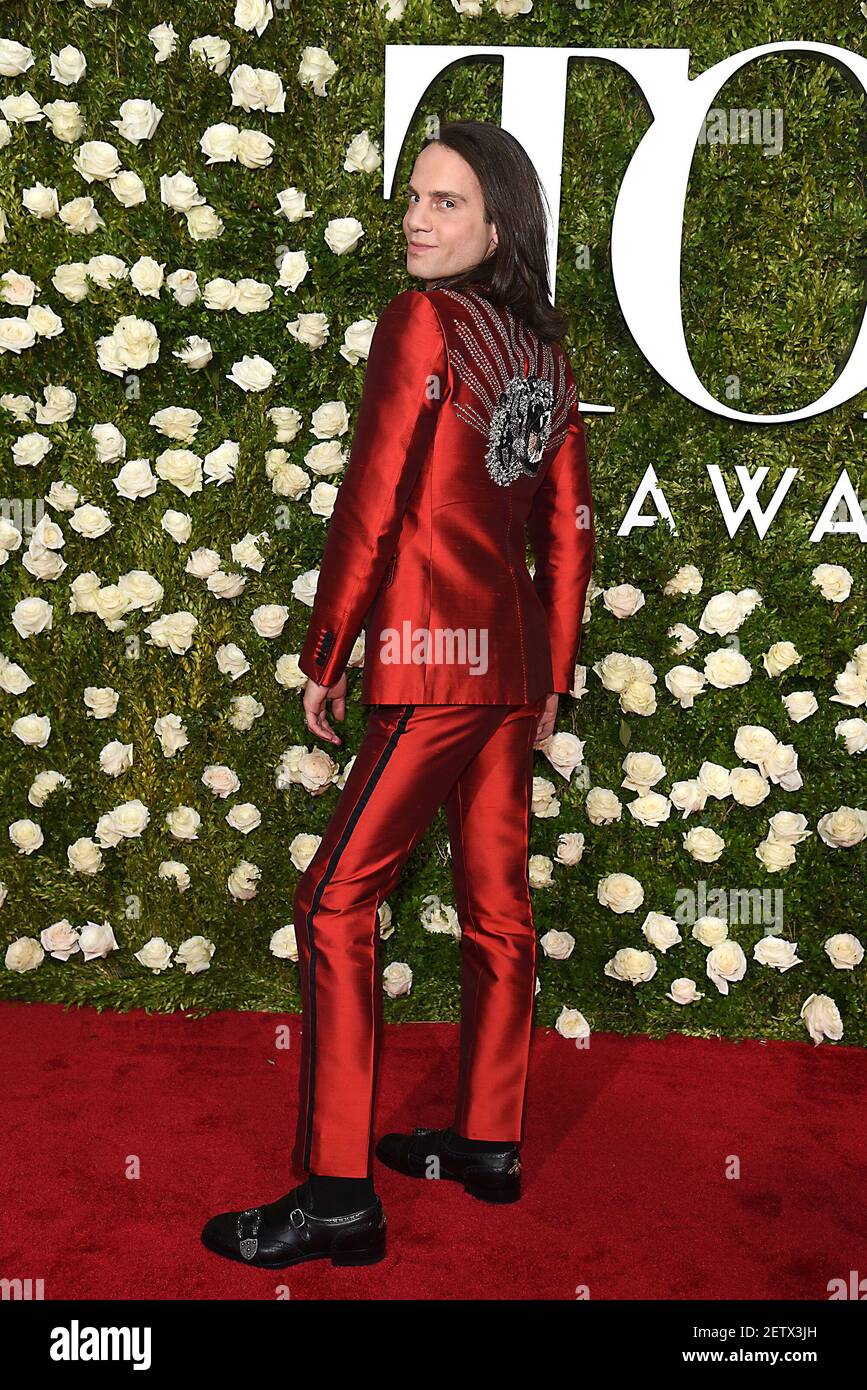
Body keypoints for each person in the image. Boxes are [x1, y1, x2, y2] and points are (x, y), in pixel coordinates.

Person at [201, 120, 595, 1270]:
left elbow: (373, 498)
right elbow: (570, 535)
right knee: (497, 908)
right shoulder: (545, 352)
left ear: (499, 222)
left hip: (430, 664)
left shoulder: (420, 320)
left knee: (332, 905)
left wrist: (328, 649)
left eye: (446, 203)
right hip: (509, 669)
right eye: (414, 199)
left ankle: (334, 1194)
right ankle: (488, 1141)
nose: (417, 219)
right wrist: (555, 673)